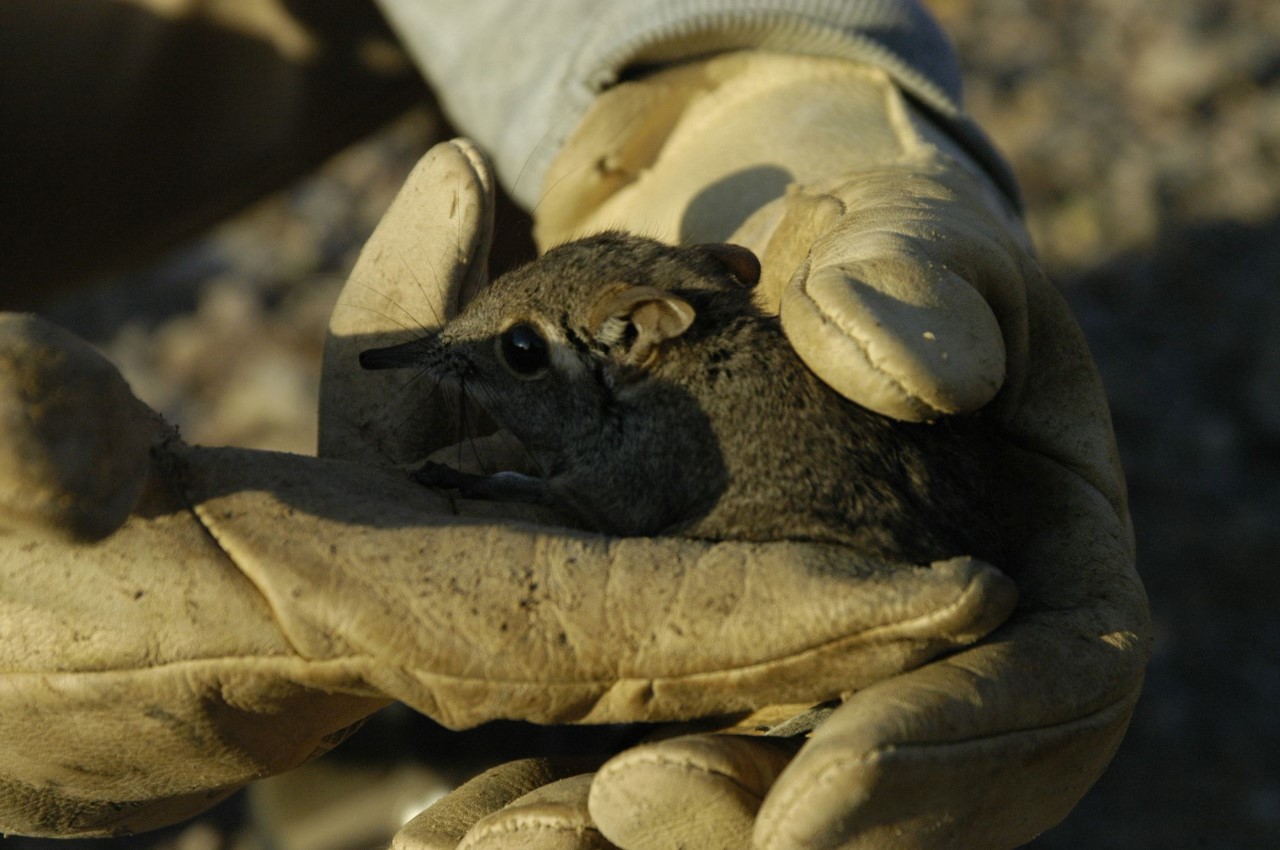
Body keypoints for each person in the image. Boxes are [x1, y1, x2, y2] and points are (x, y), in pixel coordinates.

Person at [0, 1, 1149, 847]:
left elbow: (616, 495)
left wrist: (743, 76)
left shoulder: (662, 428)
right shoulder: (645, 403)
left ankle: (419, 749)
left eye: (517, 354)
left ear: (640, 335)